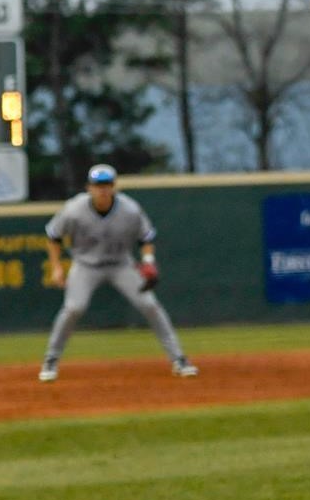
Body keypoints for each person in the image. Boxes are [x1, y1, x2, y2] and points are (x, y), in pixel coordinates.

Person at [38, 164, 197, 383]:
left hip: (121, 264)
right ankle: (51, 359)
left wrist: (148, 261)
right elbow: (53, 235)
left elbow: (146, 238)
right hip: (86, 266)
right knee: (74, 308)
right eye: (98, 185)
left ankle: (179, 359)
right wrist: (56, 267)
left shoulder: (129, 209)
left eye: (107, 185)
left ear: (114, 187)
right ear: (89, 187)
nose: (102, 190)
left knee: (149, 305)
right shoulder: (74, 209)